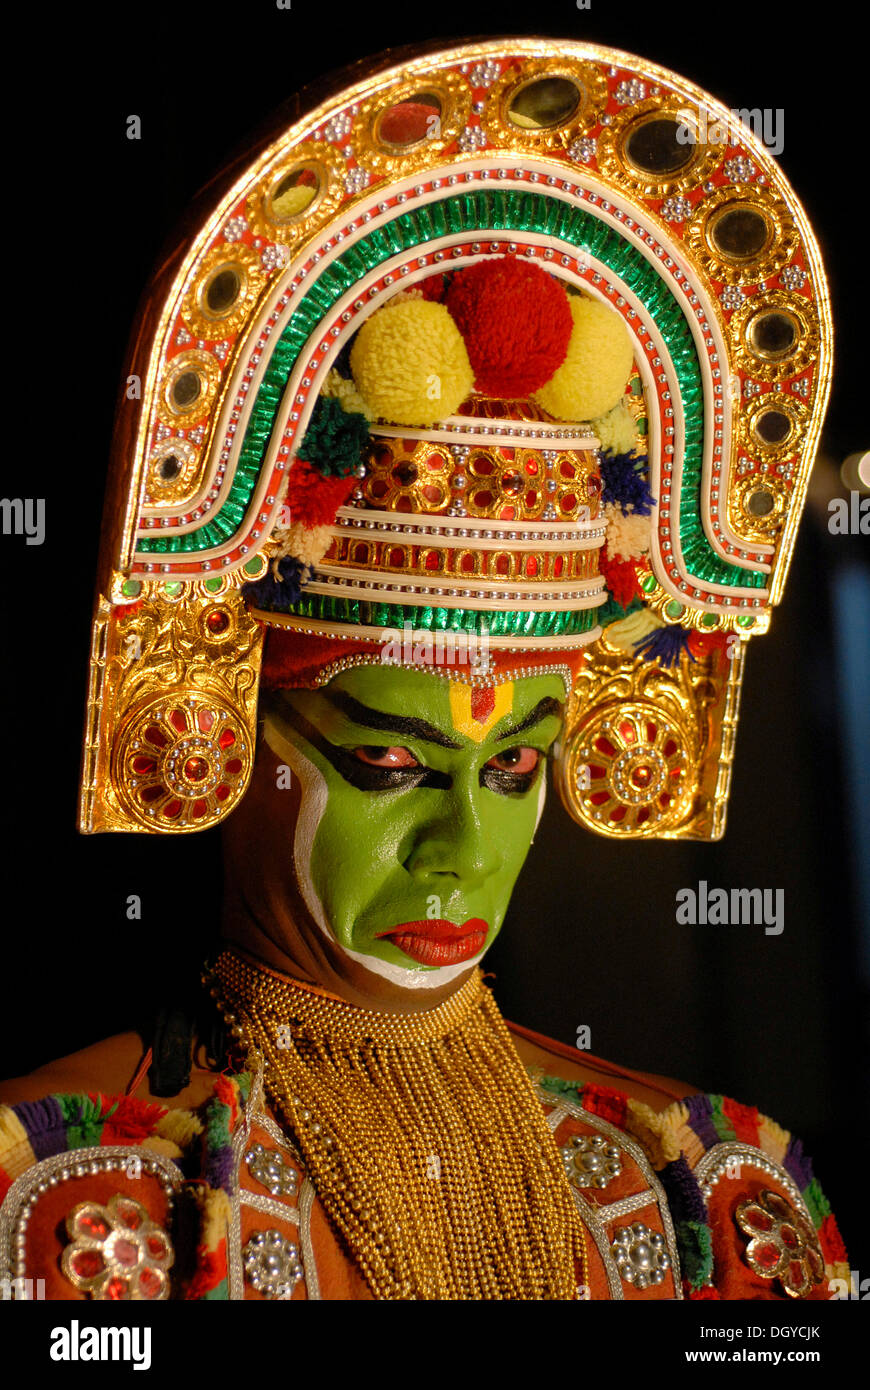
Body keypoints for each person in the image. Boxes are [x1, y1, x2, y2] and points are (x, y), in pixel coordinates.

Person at [0, 37, 847, 1301]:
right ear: (224, 726)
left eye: (513, 767)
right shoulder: (71, 1202)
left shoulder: (717, 1192)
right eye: (391, 760)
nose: (462, 846)